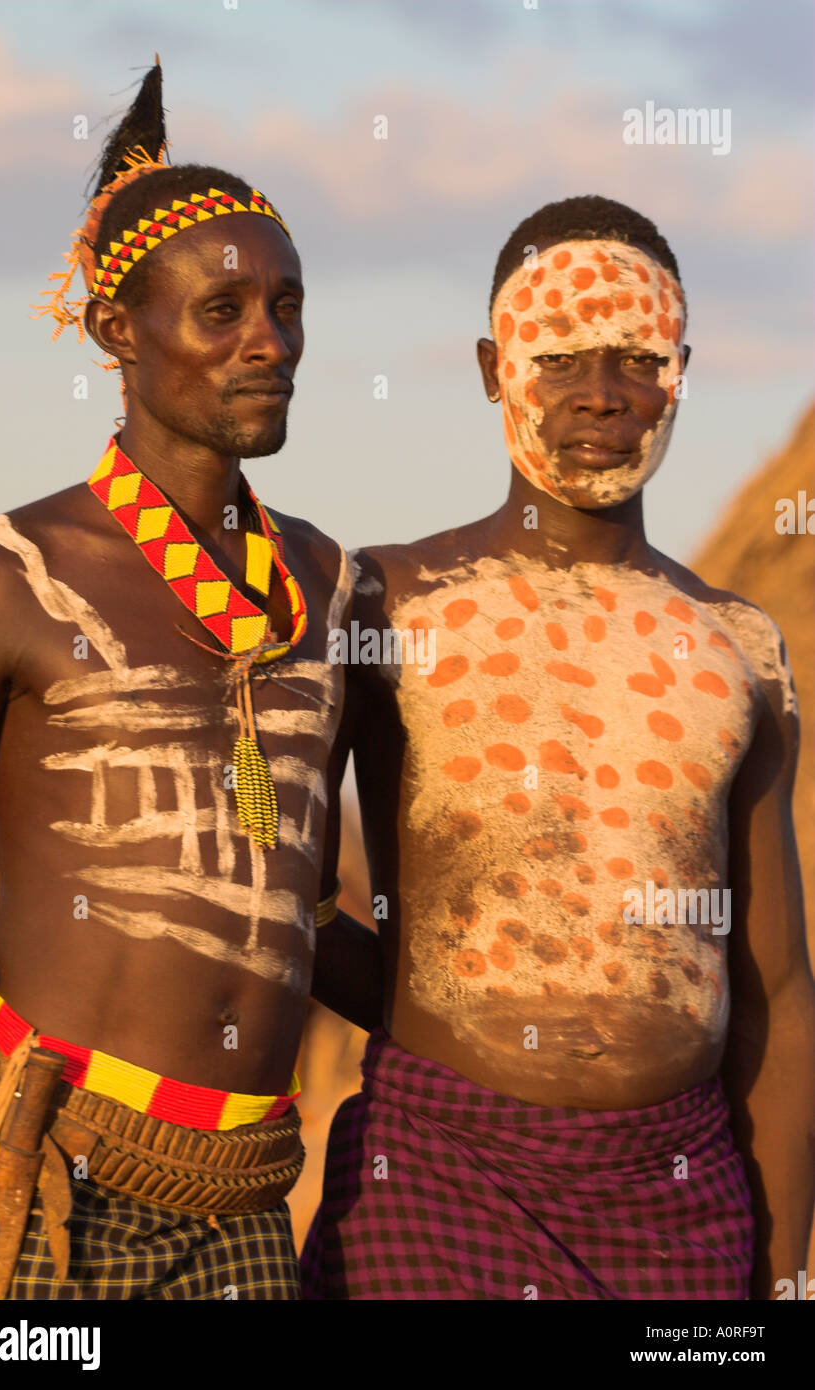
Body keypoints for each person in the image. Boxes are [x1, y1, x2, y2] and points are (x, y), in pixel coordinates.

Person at [302, 197, 815, 1300]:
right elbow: (269, 878)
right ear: (493, 369)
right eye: (559, 357)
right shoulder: (388, 600)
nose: (600, 393)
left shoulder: (737, 649)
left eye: (636, 357)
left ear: (679, 372)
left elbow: (771, 989)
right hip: (438, 1172)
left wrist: (778, 1286)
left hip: (680, 1204)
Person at [0, 60, 357, 1300]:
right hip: (56, 1162)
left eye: (286, 306)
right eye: (222, 311)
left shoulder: (329, 587)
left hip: (247, 1195)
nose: (270, 342)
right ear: (116, 330)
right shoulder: (6, 576)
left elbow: (307, 907)